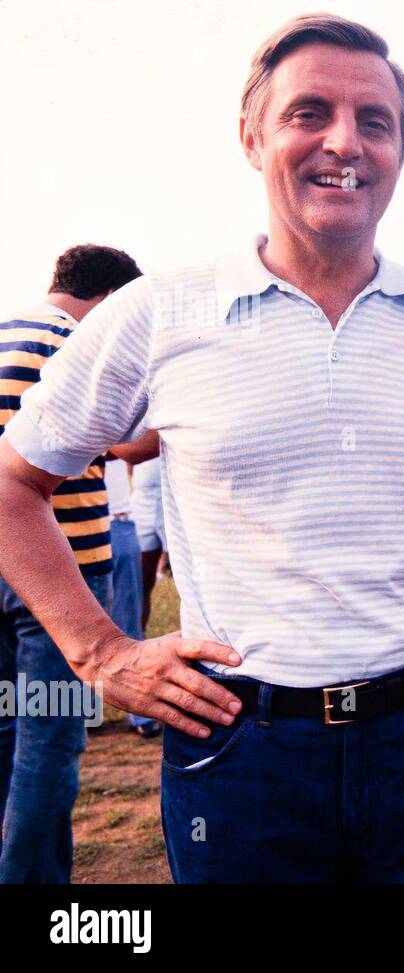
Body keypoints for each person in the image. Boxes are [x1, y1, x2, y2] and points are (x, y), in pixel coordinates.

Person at [0, 14, 404, 883]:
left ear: (400, 152)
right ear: (251, 135)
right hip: (241, 753)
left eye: (374, 122)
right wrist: (101, 653)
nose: (345, 142)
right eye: (310, 113)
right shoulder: (159, 313)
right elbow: (13, 481)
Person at [0, 243, 142, 883]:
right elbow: (123, 443)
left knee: (5, 733)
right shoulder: (77, 345)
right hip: (61, 575)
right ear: (111, 300)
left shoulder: (5, 331)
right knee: (51, 739)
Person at [104, 455, 162, 738]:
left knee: (127, 627)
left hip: (118, 520)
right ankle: (72, 715)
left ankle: (140, 711)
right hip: (86, 524)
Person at [131, 457, 167, 633]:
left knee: (191, 577)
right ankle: (140, 633)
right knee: (143, 580)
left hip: (172, 494)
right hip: (142, 498)